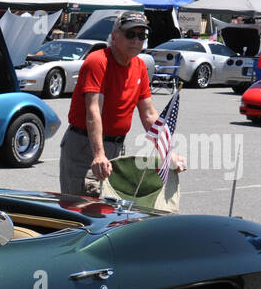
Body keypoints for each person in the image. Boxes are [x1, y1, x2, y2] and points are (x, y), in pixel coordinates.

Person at [60, 11, 183, 197]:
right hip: (86, 146)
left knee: (111, 208)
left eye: (142, 35)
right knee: (82, 205)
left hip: (116, 147)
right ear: (115, 35)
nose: (136, 40)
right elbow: (93, 111)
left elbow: (149, 114)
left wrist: (168, 154)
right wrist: (99, 154)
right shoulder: (98, 62)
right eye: (130, 34)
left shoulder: (140, 66)